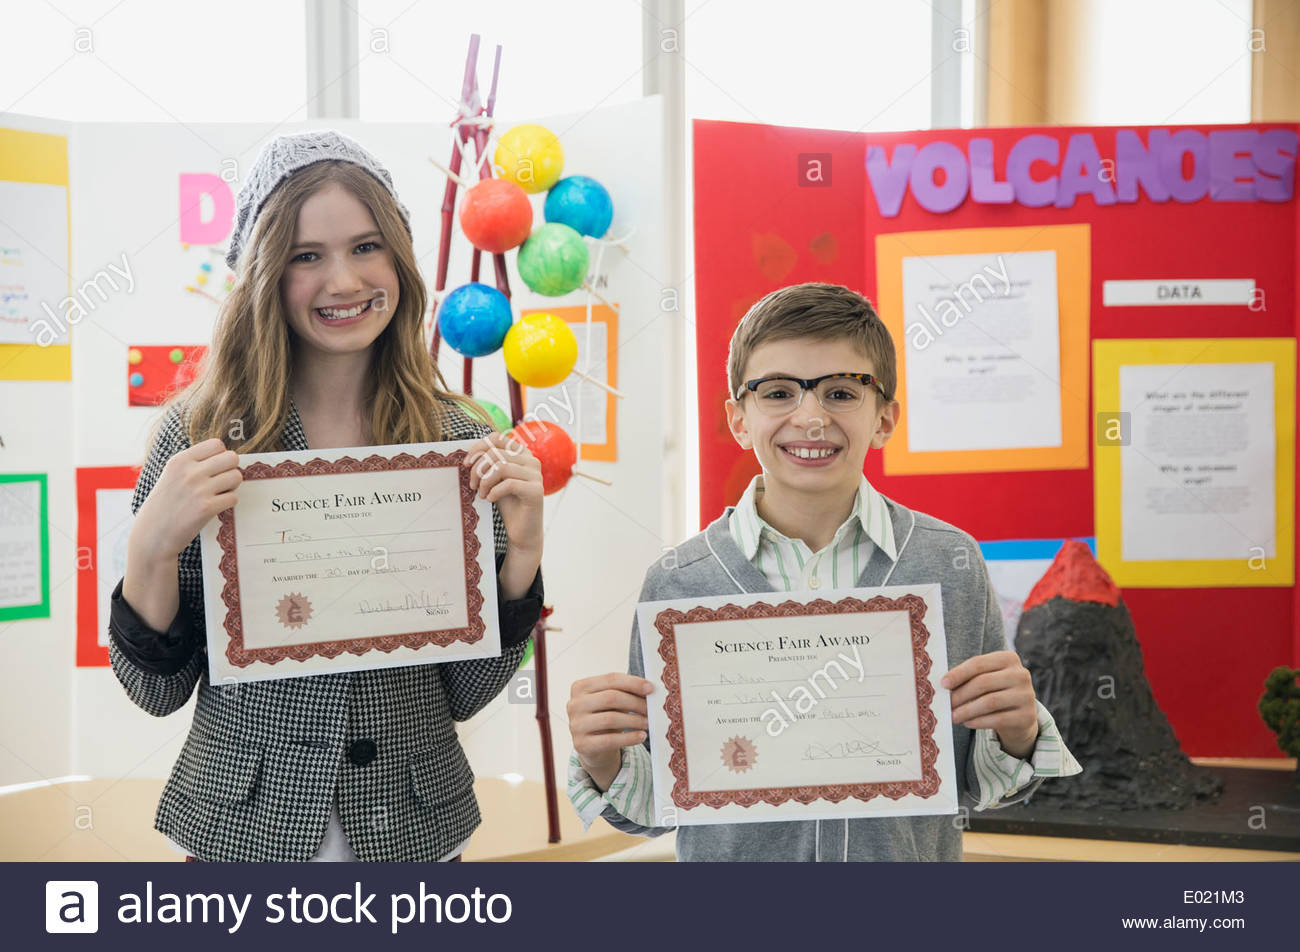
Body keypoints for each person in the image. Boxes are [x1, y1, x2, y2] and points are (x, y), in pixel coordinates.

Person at [109, 130, 545, 862]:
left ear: (399, 262)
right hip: (244, 836)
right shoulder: (203, 436)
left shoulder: (451, 436)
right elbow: (157, 693)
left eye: (367, 247)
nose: (344, 281)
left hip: (416, 830)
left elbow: (465, 691)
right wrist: (148, 547)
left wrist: (524, 553)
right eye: (307, 256)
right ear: (264, 275)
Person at [566, 282, 1080, 861]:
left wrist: (1017, 733)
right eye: (779, 392)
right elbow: (659, 804)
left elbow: (977, 785)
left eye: (841, 392)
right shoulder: (679, 583)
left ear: (884, 420)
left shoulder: (949, 564)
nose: (810, 419)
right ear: (738, 419)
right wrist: (603, 759)